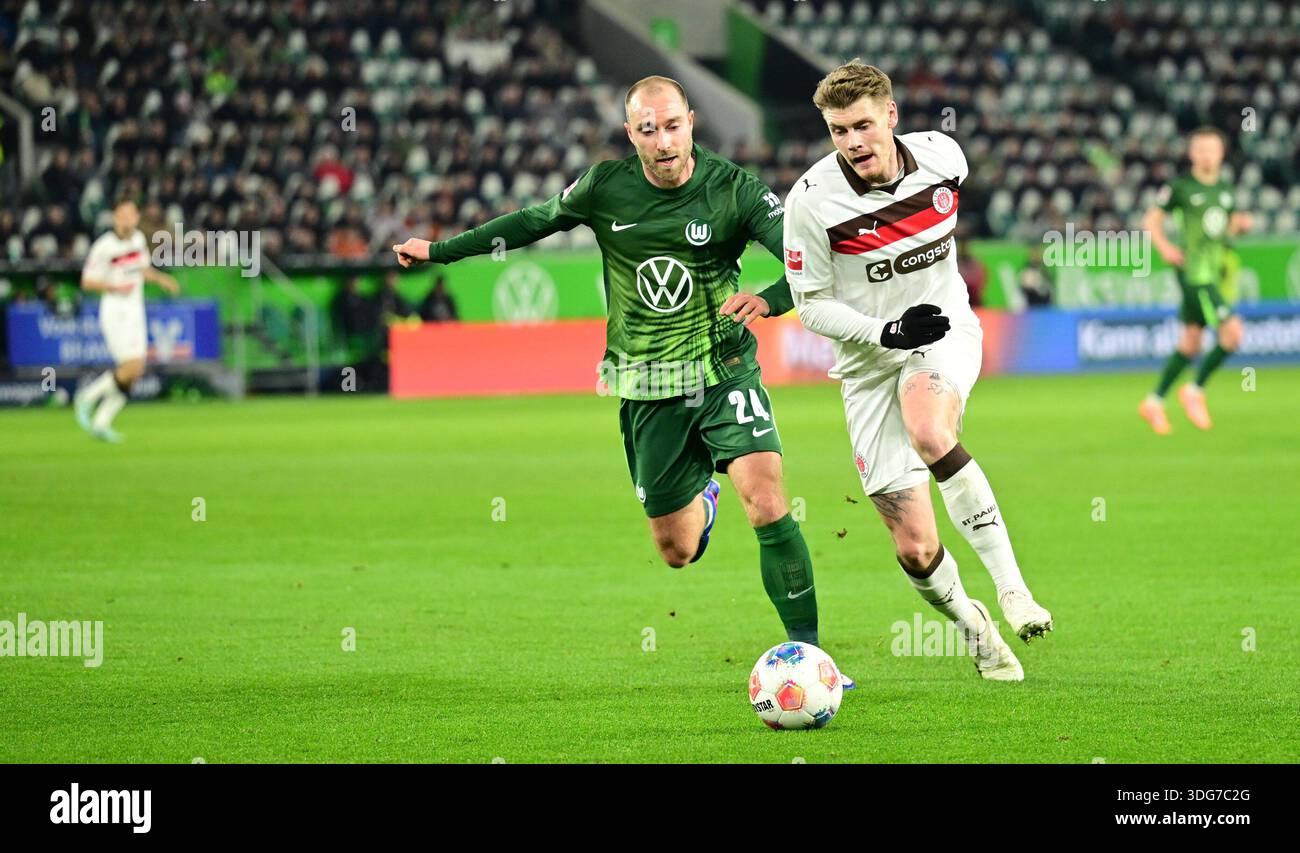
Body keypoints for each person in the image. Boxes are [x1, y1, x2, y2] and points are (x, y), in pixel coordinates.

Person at [393, 75, 848, 674]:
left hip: (724, 370)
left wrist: (767, 299)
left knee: (765, 501)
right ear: (630, 134)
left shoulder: (734, 190)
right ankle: (702, 501)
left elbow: (807, 265)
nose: (662, 141)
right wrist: (443, 249)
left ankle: (811, 658)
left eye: (672, 125)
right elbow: (532, 221)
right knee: (676, 550)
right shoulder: (606, 187)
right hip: (648, 384)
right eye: (647, 130)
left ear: (692, 121)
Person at [783, 61, 1053, 682]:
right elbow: (811, 303)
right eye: (837, 131)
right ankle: (976, 630)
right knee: (915, 547)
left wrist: (913, 321)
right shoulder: (812, 201)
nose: (853, 143)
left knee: (930, 429)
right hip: (869, 365)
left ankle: (1012, 590)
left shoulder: (943, 157)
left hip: (945, 332)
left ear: (892, 116)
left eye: (862, 126)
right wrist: (884, 332)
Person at [1138, 127, 1253, 434]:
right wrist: (1164, 248)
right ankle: (1195, 390)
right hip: (1195, 274)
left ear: (1221, 153)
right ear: (1191, 153)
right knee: (1232, 334)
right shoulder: (1180, 188)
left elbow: (1222, 229)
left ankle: (1154, 400)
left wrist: (1239, 226)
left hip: (1212, 273)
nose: (1206, 155)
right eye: (1200, 149)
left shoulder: (1225, 190)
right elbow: (1150, 220)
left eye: (1211, 149)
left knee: (1191, 342)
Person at [73, 199, 179, 442]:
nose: (128, 219)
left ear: (136, 217)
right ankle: (87, 397)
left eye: (132, 215)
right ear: (114, 218)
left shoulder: (139, 240)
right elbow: (87, 281)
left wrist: (162, 280)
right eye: (123, 215)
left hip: (135, 309)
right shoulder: (104, 247)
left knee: (136, 371)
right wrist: (113, 286)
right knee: (130, 366)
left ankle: (101, 422)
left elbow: (143, 268)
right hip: (115, 310)